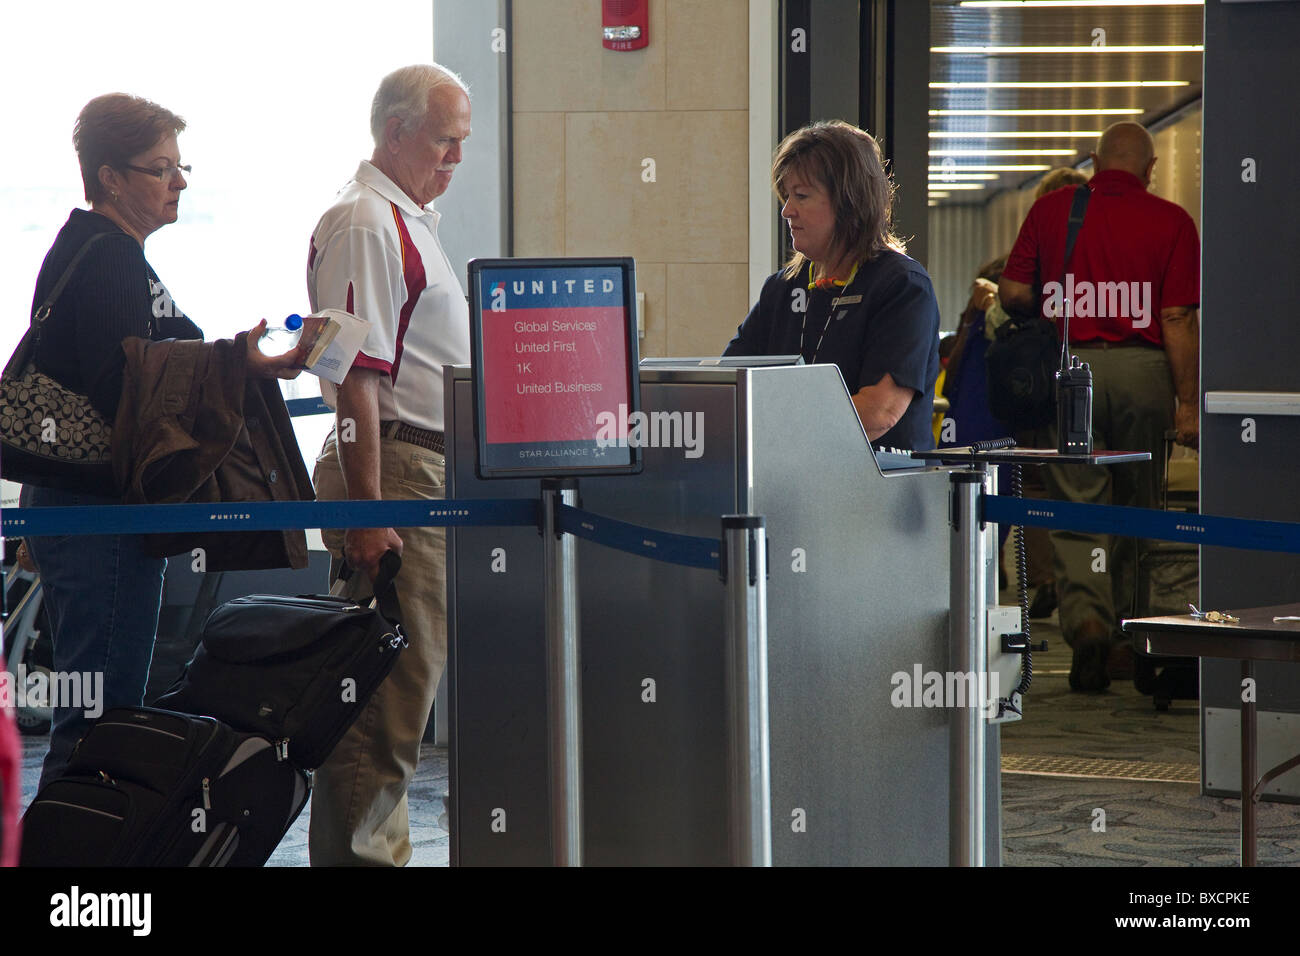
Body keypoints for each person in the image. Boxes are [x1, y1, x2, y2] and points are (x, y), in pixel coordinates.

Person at [19, 93, 307, 787]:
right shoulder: (111, 257)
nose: (179, 183)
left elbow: (157, 361)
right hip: (99, 512)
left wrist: (245, 360)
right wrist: (235, 364)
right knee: (100, 721)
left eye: (182, 167)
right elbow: (129, 391)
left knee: (95, 712)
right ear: (111, 176)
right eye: (161, 169)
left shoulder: (104, 251)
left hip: (78, 508)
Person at [306, 63, 472, 866]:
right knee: (382, 709)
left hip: (417, 472)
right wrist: (368, 511)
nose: (456, 159)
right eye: (445, 140)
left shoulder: (407, 221)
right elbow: (357, 378)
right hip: (398, 472)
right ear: (395, 132)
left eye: (464, 142)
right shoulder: (368, 222)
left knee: (401, 698)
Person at [998, 121, 1200, 692]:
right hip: (1143, 372)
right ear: (1152, 169)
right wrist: (1187, 405)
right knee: (1138, 508)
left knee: (1076, 507)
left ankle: (1087, 623)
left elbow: (1012, 294)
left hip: (1070, 372)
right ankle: (1134, 637)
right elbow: (1178, 318)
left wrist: (1062, 293)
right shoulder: (1173, 221)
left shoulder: (1053, 211)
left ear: (1093, 161)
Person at [723, 121, 940, 450]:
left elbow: (878, 413)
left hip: (880, 490)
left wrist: (777, 430)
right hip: (792, 482)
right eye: (785, 196)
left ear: (848, 201)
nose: (786, 210)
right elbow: (730, 385)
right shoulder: (782, 288)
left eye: (801, 195)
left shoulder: (902, 286)